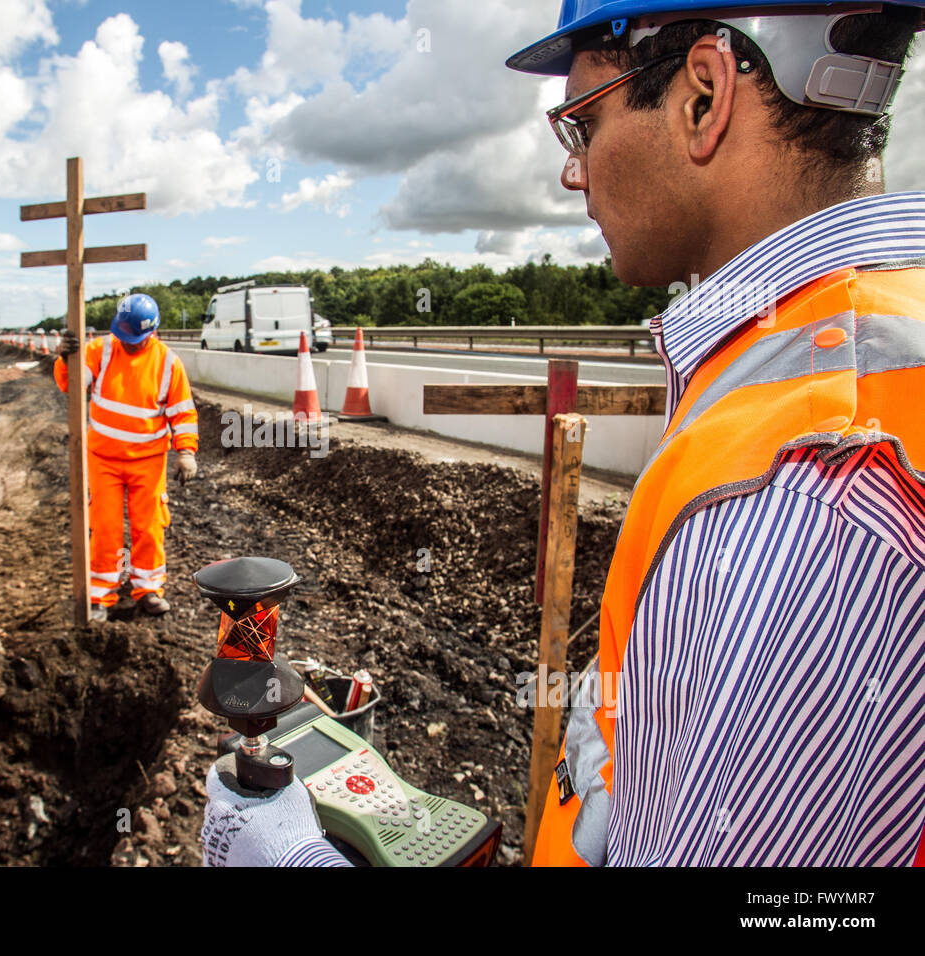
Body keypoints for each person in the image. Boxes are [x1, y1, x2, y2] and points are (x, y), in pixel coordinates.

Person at [201, 1, 925, 867]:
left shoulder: (802, 493)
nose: (570, 178)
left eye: (583, 123)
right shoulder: (862, 348)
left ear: (703, 95)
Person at [55, 293, 199, 622]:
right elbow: (70, 385)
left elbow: (183, 412)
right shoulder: (100, 349)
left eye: (134, 339)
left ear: (151, 332)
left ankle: (147, 589)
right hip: (103, 458)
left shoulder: (167, 362)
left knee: (148, 527)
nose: (127, 344)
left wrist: (186, 452)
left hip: (148, 461)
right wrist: (64, 359)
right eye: (123, 336)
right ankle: (100, 594)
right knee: (104, 527)